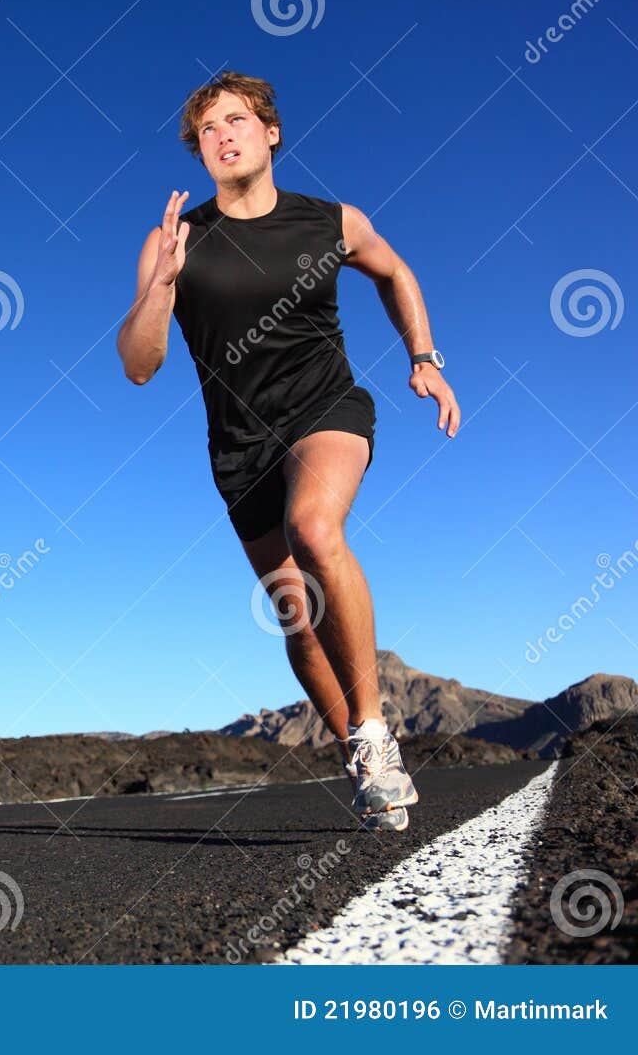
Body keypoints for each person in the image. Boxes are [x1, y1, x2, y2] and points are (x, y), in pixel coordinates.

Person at [116, 71, 460, 832]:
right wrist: (161, 290)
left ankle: (375, 733)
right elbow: (140, 365)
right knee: (298, 618)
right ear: (198, 150)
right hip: (238, 448)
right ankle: (361, 761)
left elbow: (395, 271)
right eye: (208, 129)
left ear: (271, 132)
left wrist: (425, 356)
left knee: (315, 530)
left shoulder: (329, 221)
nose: (224, 136)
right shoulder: (174, 241)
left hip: (325, 410)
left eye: (237, 120)